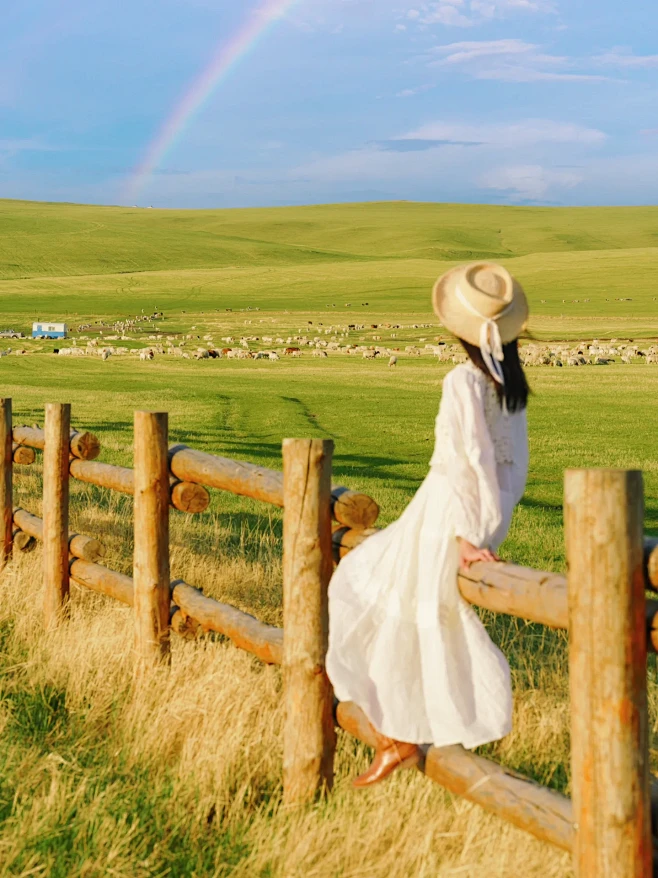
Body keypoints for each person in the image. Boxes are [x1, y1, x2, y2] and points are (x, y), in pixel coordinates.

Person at [326, 262, 530, 788]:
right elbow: (511, 466)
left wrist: (466, 534)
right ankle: (398, 733)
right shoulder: (509, 381)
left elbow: (470, 458)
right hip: (473, 513)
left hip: (446, 511)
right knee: (407, 608)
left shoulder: (463, 378)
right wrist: (491, 525)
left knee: (366, 588)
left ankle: (396, 736)